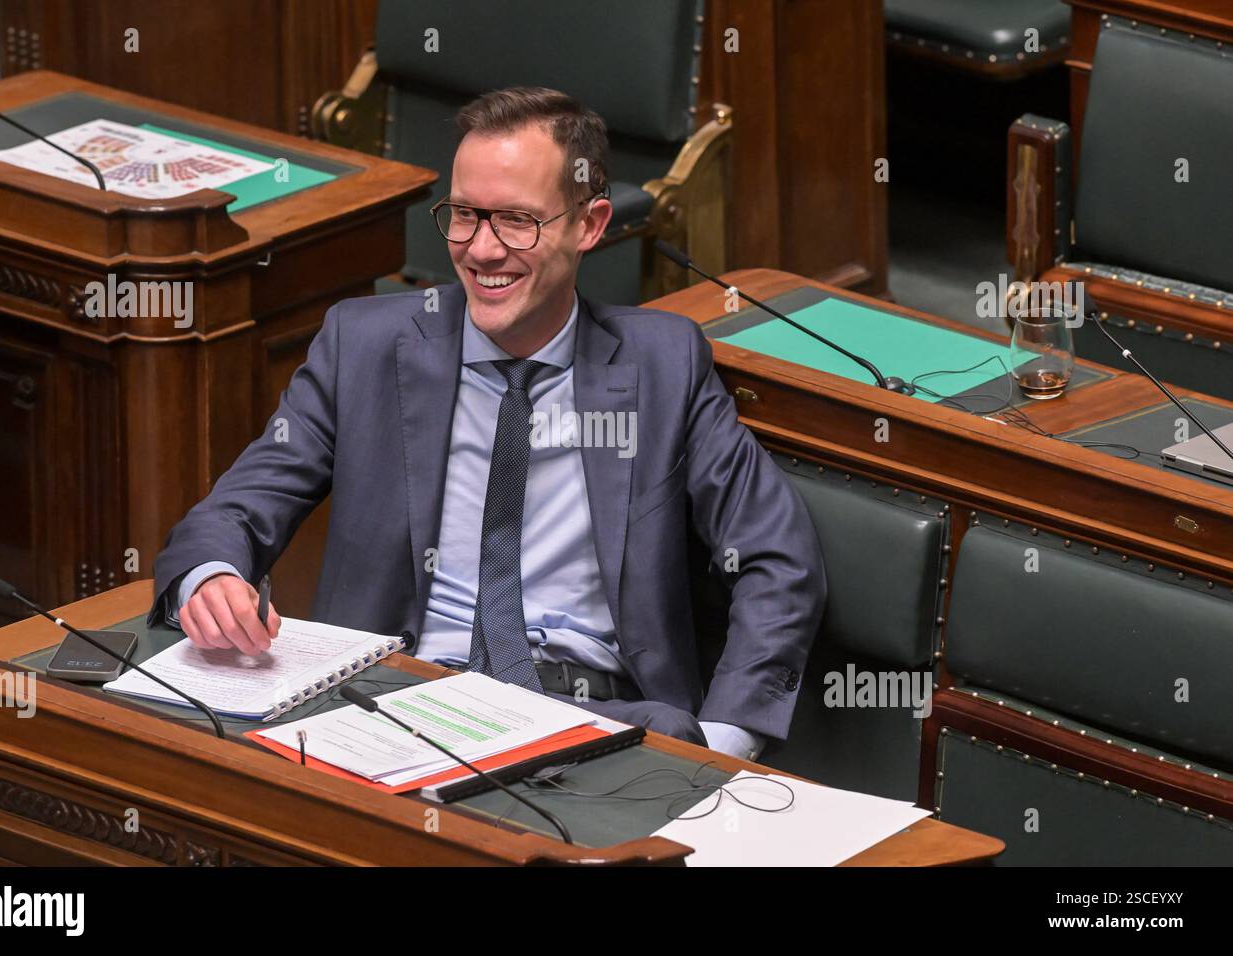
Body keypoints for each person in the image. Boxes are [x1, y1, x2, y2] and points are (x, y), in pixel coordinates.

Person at [150, 86, 825, 760]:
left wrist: (723, 743)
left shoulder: (661, 365)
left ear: (589, 226)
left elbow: (779, 559)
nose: (482, 249)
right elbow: (236, 508)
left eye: (517, 221)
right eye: (465, 215)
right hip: (393, 705)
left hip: (594, 721)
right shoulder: (363, 347)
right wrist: (210, 576)